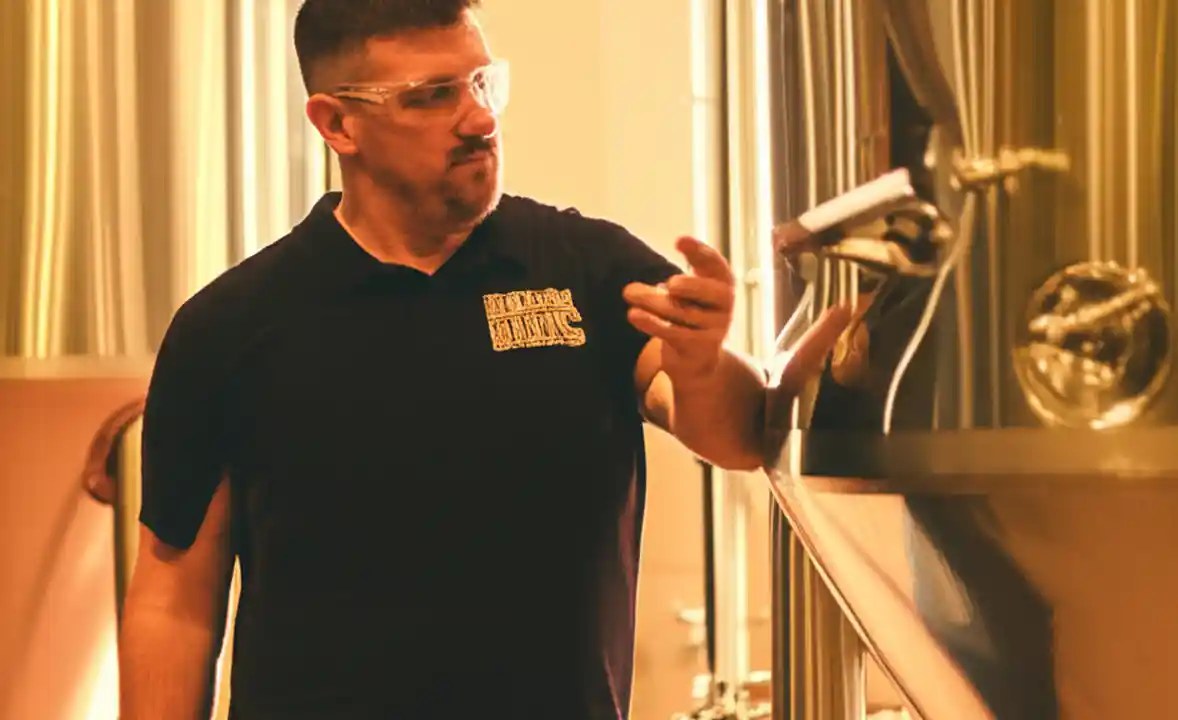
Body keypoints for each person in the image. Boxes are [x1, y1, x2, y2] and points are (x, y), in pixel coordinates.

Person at [117, 1, 774, 718]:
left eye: (483, 84)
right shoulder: (231, 326)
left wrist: (707, 366)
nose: (480, 119)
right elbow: (174, 599)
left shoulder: (587, 269)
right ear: (337, 124)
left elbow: (736, 441)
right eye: (433, 96)